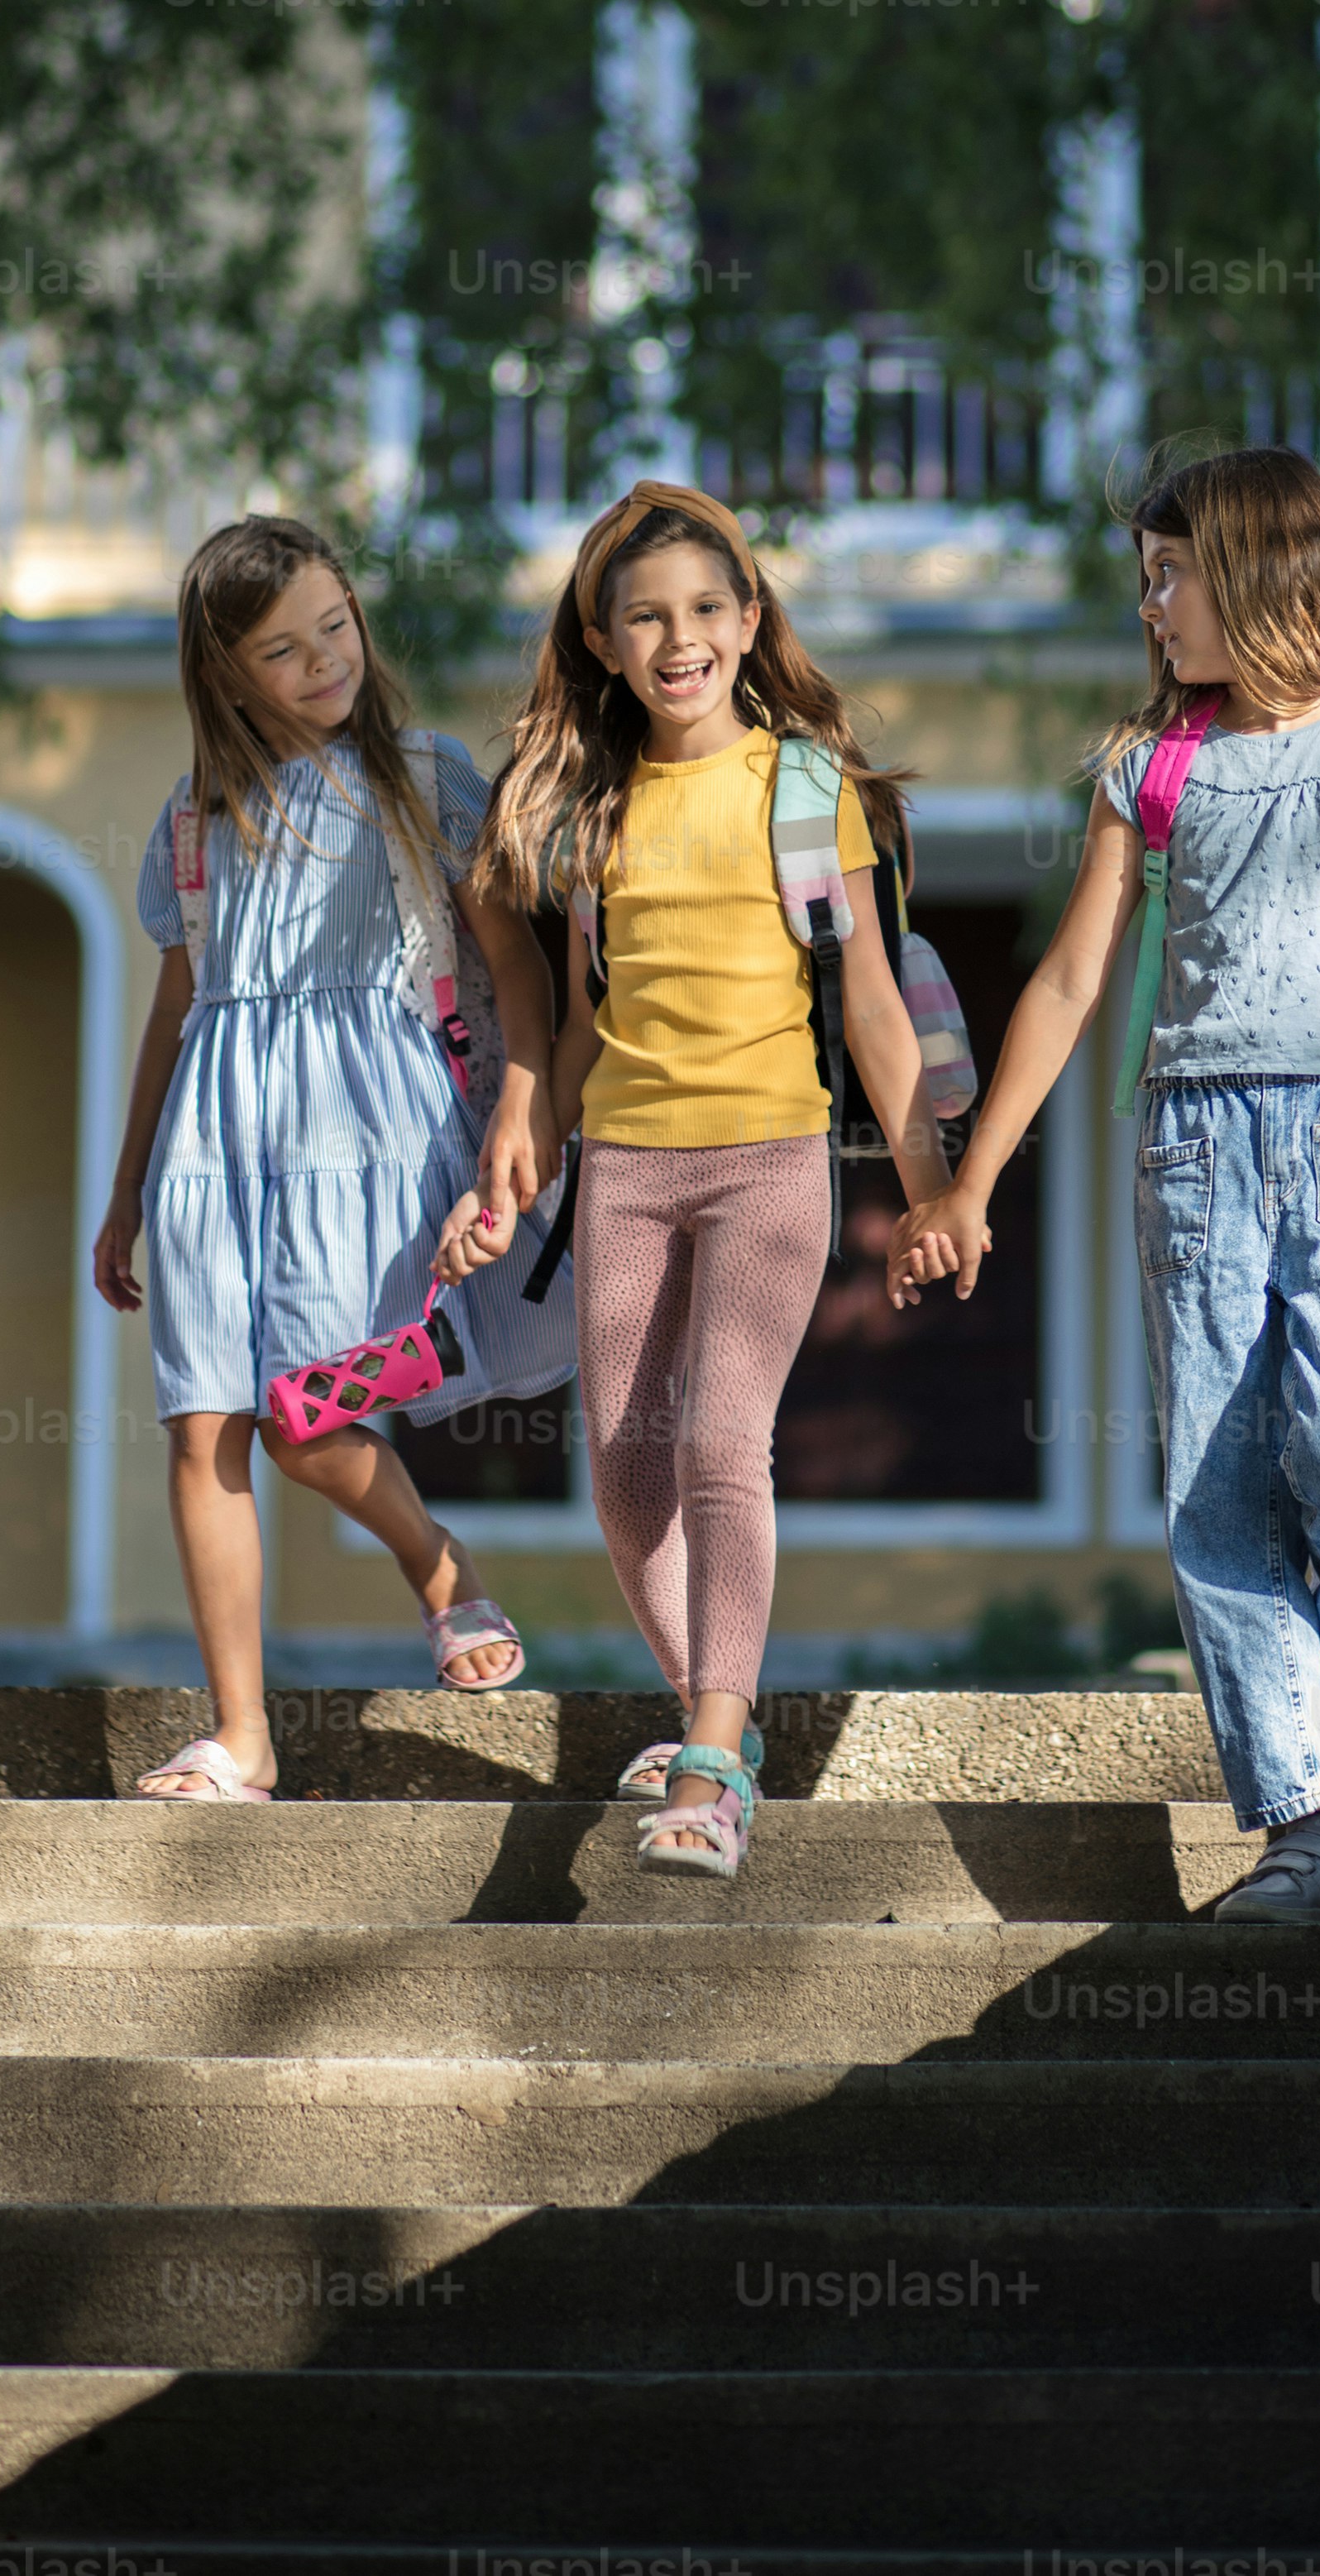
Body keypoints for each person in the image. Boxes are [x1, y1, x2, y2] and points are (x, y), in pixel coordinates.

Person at [892, 443, 1320, 1918]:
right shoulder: (1150, 769)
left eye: (1168, 576)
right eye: (1141, 584)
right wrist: (968, 1182)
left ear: (1253, 568)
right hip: (1193, 1146)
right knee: (1217, 1484)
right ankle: (1304, 1831)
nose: (1152, 610)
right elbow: (1065, 985)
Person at [478, 481, 951, 1877]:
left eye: (702, 610)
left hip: (769, 1162)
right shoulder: (591, 813)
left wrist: (929, 1188)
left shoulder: (806, 791)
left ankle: (707, 1762)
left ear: (747, 624)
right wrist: (512, 1180)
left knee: (715, 1445)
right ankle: (715, 1720)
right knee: (623, 1470)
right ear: (606, 644)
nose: (677, 638)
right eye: (644, 617)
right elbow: (577, 1023)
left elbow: (869, 1005)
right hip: (624, 1164)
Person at [94, 514, 572, 1798]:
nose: (321, 663)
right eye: (281, 650)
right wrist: (128, 1183)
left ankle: (437, 1564)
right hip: (210, 1140)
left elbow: (516, 969)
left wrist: (520, 1113)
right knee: (205, 1430)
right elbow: (175, 1008)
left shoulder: (421, 779)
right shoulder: (194, 821)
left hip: (358, 1131)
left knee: (310, 1424)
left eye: (334, 630)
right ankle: (241, 1737)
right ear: (225, 674)